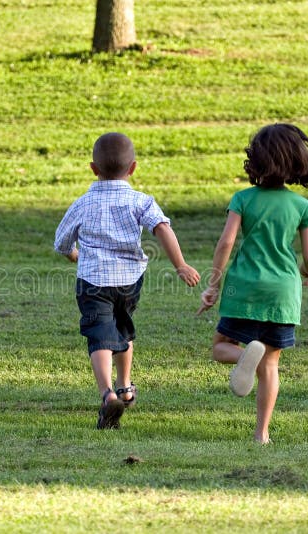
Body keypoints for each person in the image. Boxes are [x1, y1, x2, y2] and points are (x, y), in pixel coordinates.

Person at [55, 132, 200, 429]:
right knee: (123, 328)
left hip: (93, 281)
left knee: (100, 335)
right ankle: (125, 387)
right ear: (132, 168)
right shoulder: (140, 201)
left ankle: (107, 394)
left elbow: (61, 242)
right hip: (129, 282)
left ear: (93, 169)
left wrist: (75, 256)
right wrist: (181, 265)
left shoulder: (83, 203)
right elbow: (161, 228)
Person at [197, 123, 308, 444]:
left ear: (256, 161)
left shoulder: (243, 198)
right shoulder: (301, 206)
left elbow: (226, 243)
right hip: (283, 292)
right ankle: (262, 434)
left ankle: (241, 356)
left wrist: (213, 284)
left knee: (220, 347)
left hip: (244, 288)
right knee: (270, 363)